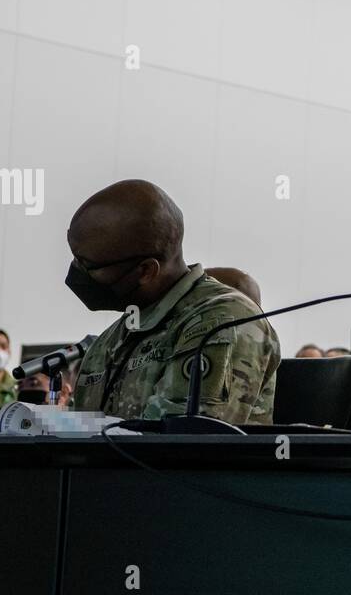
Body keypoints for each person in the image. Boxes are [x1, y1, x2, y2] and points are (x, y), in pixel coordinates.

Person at [67, 180, 279, 423]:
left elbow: (181, 443)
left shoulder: (222, 322)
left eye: (87, 264)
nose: (76, 270)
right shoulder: (113, 338)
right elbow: (79, 430)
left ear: (146, 271)